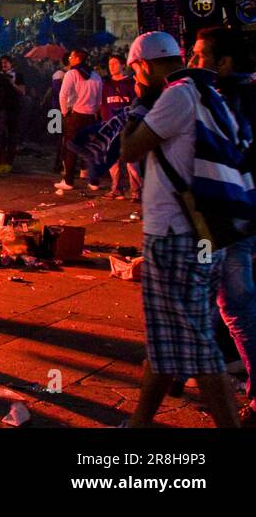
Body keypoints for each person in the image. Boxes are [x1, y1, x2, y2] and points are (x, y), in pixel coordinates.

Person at [120, 31, 243, 428]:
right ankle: (139, 422)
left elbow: (129, 149)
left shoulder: (175, 96)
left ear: (145, 66)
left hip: (175, 234)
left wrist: (139, 102)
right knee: (166, 340)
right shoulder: (208, 91)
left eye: (136, 69)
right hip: (204, 230)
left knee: (197, 343)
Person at [191, 26, 256, 427]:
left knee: (236, 305)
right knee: (226, 302)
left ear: (225, 63)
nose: (194, 63)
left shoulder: (227, 100)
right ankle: (222, 362)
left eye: (200, 56)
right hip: (243, 213)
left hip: (235, 216)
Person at [56, 47, 104, 192]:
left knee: (70, 149)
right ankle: (93, 181)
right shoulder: (96, 76)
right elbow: (99, 100)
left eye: (71, 57)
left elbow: (63, 94)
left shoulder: (72, 74)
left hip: (75, 115)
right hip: (90, 116)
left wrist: (64, 112)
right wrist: (94, 111)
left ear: (77, 58)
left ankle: (69, 181)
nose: (69, 59)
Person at [101, 52, 140, 200]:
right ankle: (115, 188)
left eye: (115, 63)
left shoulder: (130, 83)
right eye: (110, 64)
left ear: (123, 65)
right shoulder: (106, 85)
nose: (111, 67)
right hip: (111, 127)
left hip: (127, 126)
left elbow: (136, 105)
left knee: (131, 160)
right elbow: (103, 105)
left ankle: (136, 190)